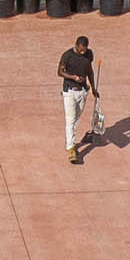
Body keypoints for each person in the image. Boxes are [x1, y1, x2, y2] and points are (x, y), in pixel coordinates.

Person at [59, 36, 97, 164]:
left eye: (84, 50)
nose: (82, 52)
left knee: (76, 118)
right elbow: (60, 72)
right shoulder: (67, 55)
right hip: (70, 92)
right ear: (76, 45)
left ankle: (74, 138)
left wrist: (93, 88)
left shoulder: (89, 54)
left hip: (83, 92)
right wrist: (73, 77)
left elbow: (89, 71)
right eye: (81, 50)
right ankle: (71, 148)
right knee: (70, 120)